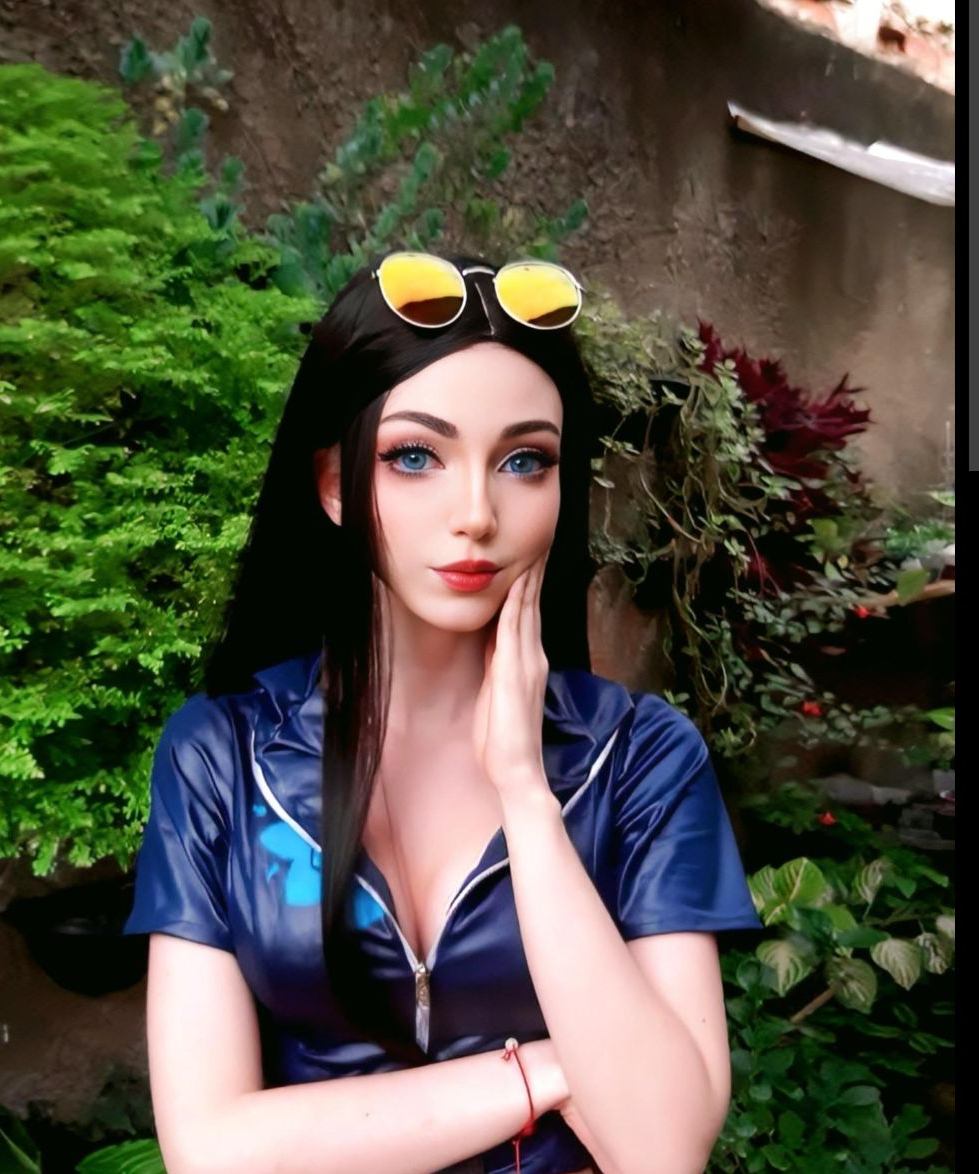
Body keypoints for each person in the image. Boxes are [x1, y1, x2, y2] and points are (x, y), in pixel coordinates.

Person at [122, 251, 764, 1174]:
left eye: (525, 461)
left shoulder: (641, 760)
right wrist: (549, 1071)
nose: (476, 514)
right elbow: (212, 1151)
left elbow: (662, 1147)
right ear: (335, 484)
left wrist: (527, 793)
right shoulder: (223, 755)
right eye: (415, 456)